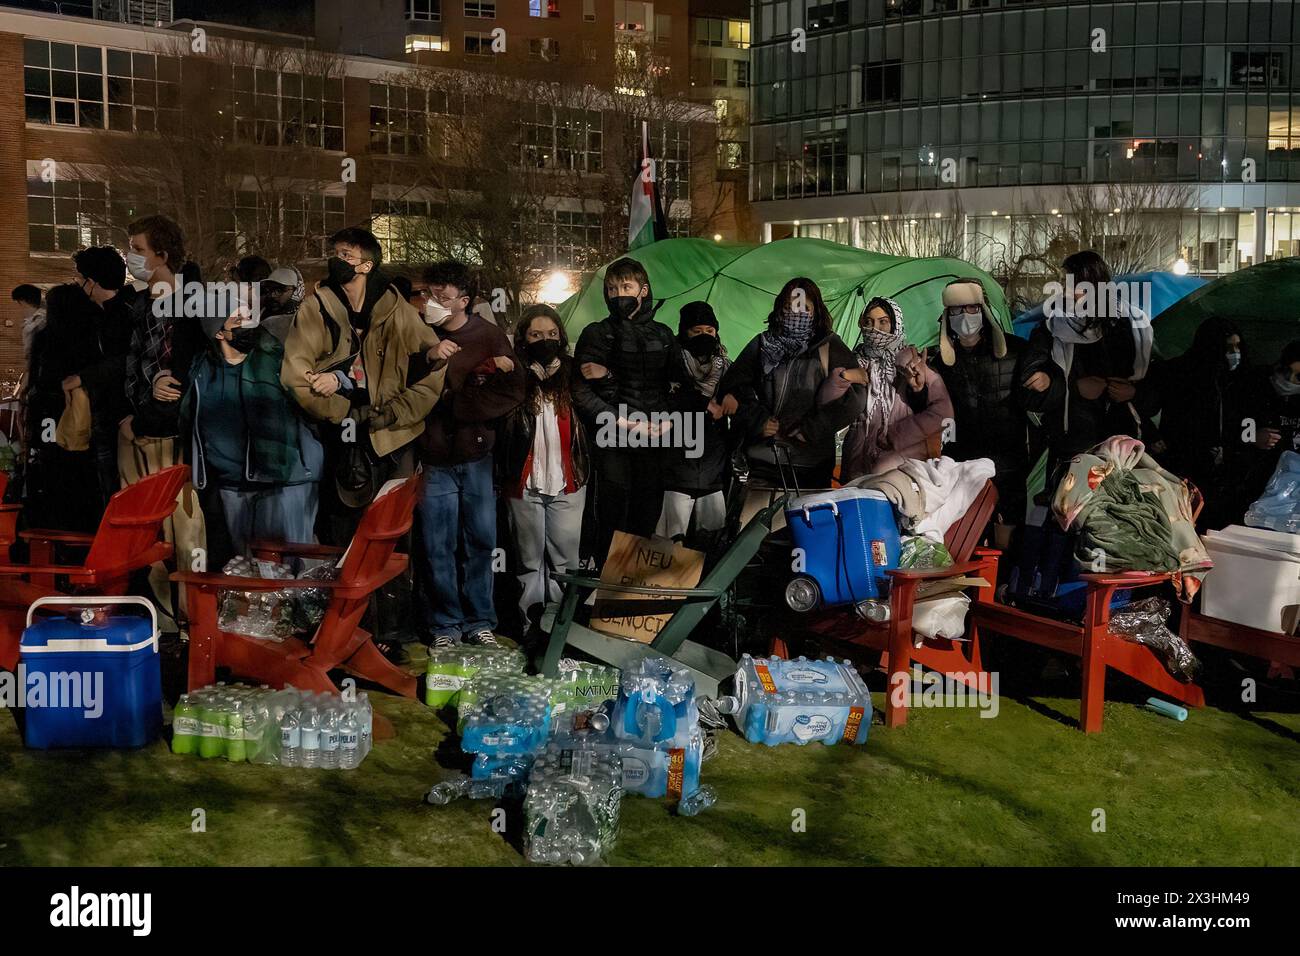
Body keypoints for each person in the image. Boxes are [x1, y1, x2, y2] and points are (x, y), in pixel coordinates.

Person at [281, 227, 445, 652]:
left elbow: (434, 361)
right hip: (343, 441)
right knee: (346, 538)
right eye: (335, 252)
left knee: (394, 537)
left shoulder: (396, 308)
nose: (338, 259)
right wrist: (337, 409)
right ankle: (351, 632)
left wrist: (397, 411)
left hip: (395, 439)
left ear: (367, 263)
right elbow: (295, 373)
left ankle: (394, 631)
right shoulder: (317, 306)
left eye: (347, 254)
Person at [415, 260, 524, 648]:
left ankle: (480, 620)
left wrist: (460, 404)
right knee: (436, 545)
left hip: (476, 456)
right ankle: (445, 624)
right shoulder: (419, 334)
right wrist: (428, 358)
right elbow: (400, 384)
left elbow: (512, 389)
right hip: (432, 458)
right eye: (429, 294)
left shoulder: (489, 335)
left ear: (463, 301)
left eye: (442, 296)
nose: (432, 302)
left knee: (479, 543)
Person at [180, 301, 323, 568]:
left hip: (284, 479)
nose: (248, 324)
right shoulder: (201, 368)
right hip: (231, 485)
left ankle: (307, 610)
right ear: (219, 333)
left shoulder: (278, 358)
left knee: (293, 567)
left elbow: (318, 394)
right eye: (238, 320)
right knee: (249, 572)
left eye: (249, 316)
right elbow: (188, 416)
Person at [718, 278, 865, 528]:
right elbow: (732, 389)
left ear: (816, 311)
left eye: (804, 308)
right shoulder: (762, 345)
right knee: (755, 540)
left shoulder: (829, 347)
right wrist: (757, 420)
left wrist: (814, 428)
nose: (797, 314)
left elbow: (856, 396)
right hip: (764, 462)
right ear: (780, 309)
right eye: (790, 307)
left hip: (812, 465)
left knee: (807, 538)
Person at [120, 215, 208, 632]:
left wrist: (169, 387)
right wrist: (136, 405)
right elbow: (135, 362)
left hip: (179, 433)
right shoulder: (140, 302)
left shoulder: (193, 302)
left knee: (187, 531)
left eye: (138, 249)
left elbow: (196, 360)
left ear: (163, 255)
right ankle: (167, 621)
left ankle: (192, 618)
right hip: (144, 427)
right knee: (150, 532)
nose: (131, 257)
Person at [571, 256, 681, 564]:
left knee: (647, 517)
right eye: (612, 288)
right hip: (612, 442)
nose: (619, 294)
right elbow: (581, 392)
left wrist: (669, 422)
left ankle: (634, 593)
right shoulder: (597, 333)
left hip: (656, 442)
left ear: (643, 290)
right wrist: (623, 421)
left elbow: (680, 386)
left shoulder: (663, 335)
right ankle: (602, 591)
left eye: (626, 286)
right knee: (612, 515)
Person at [1016, 250, 1155, 486]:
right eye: (1064, 282)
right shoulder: (1051, 328)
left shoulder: (1131, 326)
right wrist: (1069, 386)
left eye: (1075, 283)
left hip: (1122, 447)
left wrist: (1134, 394)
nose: (1067, 291)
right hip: (1071, 450)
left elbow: (1156, 386)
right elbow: (1028, 386)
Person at [499, 304, 590, 626]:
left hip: (568, 481)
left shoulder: (574, 373)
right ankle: (530, 628)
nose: (544, 340)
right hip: (524, 483)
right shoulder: (513, 374)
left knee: (564, 564)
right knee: (528, 563)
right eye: (536, 334)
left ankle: (560, 631)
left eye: (551, 334)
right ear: (523, 338)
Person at [930, 278, 1030, 543]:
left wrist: (1045, 380)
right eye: (956, 310)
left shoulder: (1016, 351)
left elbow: (1040, 401)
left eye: (972, 308)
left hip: (1008, 464)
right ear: (946, 315)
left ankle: (1008, 584)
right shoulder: (936, 361)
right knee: (966, 535)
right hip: (960, 464)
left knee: (1007, 536)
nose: (965, 316)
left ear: (984, 310)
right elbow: (926, 408)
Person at [1152, 316, 1252, 529]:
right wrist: (1156, 439)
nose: (1235, 354)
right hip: (1184, 467)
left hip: (1225, 474)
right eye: (1228, 347)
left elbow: (1244, 420)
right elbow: (1145, 408)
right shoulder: (1177, 373)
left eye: (1237, 346)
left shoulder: (1238, 380)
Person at [840, 295, 952, 482]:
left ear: (895, 325)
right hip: (857, 461)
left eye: (883, 322)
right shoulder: (854, 361)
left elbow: (943, 412)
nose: (875, 329)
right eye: (868, 322)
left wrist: (898, 434)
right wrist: (842, 379)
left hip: (901, 463)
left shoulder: (912, 361)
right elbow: (832, 406)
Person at [23, 283, 101, 531]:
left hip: (50, 414)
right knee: (80, 475)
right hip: (81, 420)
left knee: (51, 472)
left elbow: (38, 376)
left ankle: (51, 530)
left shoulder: (47, 337)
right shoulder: (91, 336)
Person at [656, 300, 732, 549]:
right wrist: (702, 403)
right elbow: (665, 399)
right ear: (684, 332)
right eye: (696, 331)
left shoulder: (726, 368)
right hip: (675, 472)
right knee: (669, 547)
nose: (704, 336)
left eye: (709, 331)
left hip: (713, 472)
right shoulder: (670, 363)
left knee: (712, 545)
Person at [71, 247, 135, 509]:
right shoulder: (100, 315)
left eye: (79, 277)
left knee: (116, 489)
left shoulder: (123, 315)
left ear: (93, 281)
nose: (76, 282)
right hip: (107, 415)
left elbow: (122, 361)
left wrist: (83, 378)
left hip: (120, 418)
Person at [1239, 339, 1300, 508]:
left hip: (1291, 487)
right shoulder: (1255, 387)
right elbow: (1236, 427)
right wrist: (1253, 437)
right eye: (1287, 372)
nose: (1290, 380)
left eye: (1299, 377)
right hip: (1253, 478)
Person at [258, 266, 304, 342]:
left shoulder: (305, 320)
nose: (272, 295)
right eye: (269, 289)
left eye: (279, 290)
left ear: (296, 291)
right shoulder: (264, 313)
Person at [12, 284, 44, 366]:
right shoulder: (31, 322)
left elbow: (35, 357)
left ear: (23, 302)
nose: (16, 310)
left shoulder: (38, 322)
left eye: (17, 305)